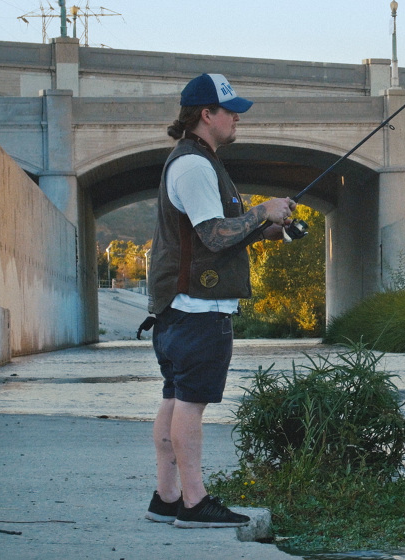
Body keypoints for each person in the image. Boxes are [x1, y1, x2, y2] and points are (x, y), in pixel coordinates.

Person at [143, 73, 296, 528]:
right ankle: (193, 503)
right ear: (206, 115)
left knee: (174, 398)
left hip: (182, 308)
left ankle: (166, 497)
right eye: (230, 111)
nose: (236, 119)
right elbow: (213, 234)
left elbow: (210, 235)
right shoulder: (193, 165)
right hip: (197, 308)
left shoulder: (199, 162)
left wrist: (263, 229)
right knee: (190, 403)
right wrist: (261, 211)